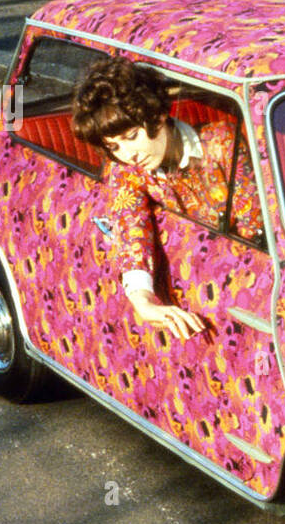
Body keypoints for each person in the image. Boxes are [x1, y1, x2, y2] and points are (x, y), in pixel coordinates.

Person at [70, 58, 263, 341]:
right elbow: (130, 227)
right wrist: (142, 300)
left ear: (158, 116)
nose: (128, 154)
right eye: (113, 146)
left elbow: (254, 228)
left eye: (132, 136)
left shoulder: (221, 144)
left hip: (240, 284)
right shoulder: (125, 170)